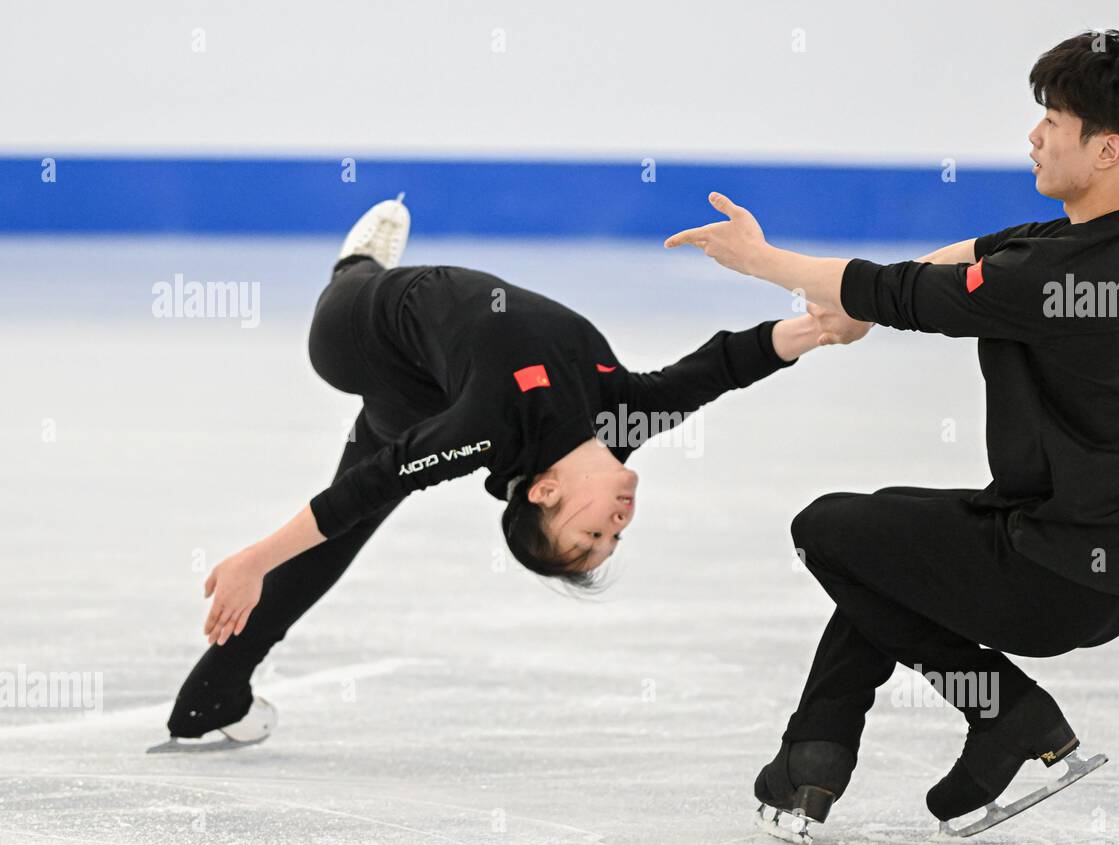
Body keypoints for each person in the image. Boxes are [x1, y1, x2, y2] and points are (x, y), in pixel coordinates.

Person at [664, 30, 1119, 839]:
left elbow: (932, 289)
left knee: (830, 530)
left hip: (1055, 576)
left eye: (1054, 119)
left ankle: (1012, 711)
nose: (1035, 134)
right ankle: (815, 758)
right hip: (1113, 564)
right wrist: (857, 312)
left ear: (1107, 149)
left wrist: (765, 260)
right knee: (881, 545)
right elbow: (986, 256)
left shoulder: (1056, 282)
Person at [158, 194, 866, 749]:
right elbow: (711, 372)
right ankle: (215, 691)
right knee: (360, 508)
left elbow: (365, 489)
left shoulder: (485, 431)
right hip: (424, 375)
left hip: (355, 338)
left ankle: (354, 264)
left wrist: (254, 558)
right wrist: (818, 328)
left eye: (587, 537)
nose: (615, 531)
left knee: (357, 499)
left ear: (545, 490)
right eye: (610, 544)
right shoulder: (618, 421)